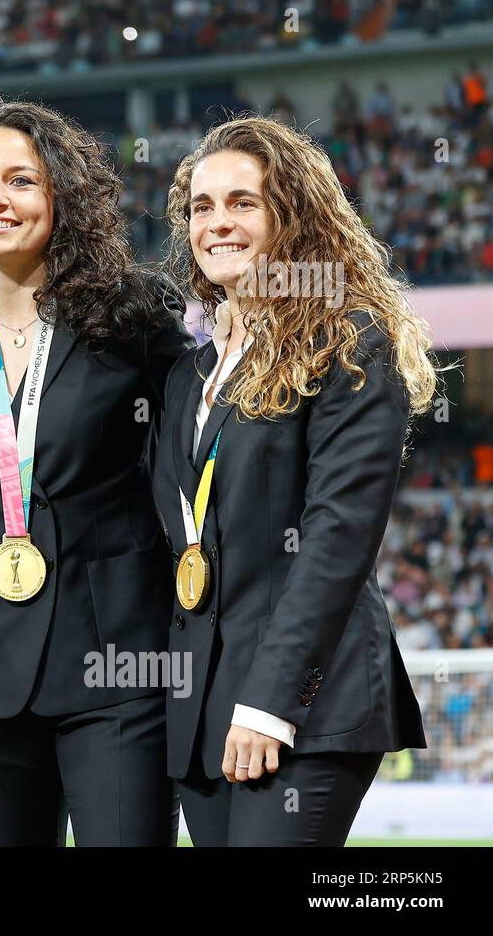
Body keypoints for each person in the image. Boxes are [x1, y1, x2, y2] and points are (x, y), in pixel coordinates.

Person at [0, 100, 193, 846]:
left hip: (119, 668)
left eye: (21, 181)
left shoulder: (133, 315)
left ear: (62, 196)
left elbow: (208, 451)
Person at [154, 115, 436, 845]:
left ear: (293, 216)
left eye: (244, 202)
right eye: (202, 207)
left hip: (301, 708)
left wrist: (270, 703)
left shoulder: (348, 345)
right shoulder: (189, 374)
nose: (219, 223)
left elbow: (337, 540)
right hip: (204, 711)